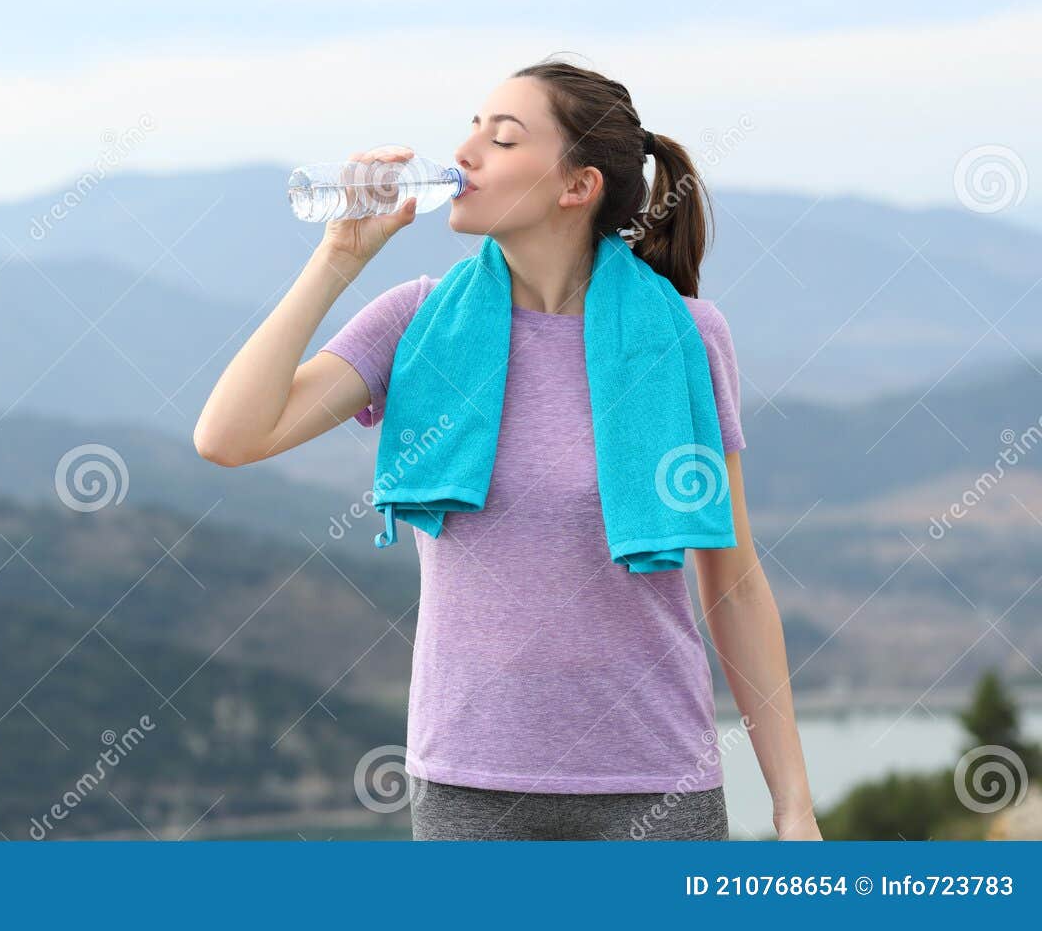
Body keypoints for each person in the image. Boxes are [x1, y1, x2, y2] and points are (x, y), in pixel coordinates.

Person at [193, 59, 821, 841]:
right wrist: (339, 259)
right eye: (471, 127)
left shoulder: (688, 337)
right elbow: (229, 435)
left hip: (654, 784)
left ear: (576, 186)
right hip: (468, 786)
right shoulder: (416, 319)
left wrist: (792, 801)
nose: (464, 153)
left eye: (503, 137)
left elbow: (734, 582)